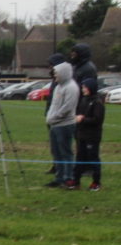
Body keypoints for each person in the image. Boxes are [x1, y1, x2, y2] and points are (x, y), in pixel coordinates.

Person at [44, 60, 78, 189]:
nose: (55, 76)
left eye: (57, 73)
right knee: (56, 152)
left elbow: (67, 107)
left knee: (65, 152)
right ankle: (59, 177)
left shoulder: (71, 87)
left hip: (65, 125)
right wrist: (50, 117)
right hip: (54, 125)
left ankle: (68, 178)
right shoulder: (58, 86)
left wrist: (54, 118)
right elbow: (54, 105)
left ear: (63, 73)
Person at [74, 78, 104, 191]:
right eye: (82, 87)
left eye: (85, 87)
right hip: (81, 134)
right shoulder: (84, 100)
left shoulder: (97, 102)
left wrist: (83, 119)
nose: (83, 89)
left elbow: (97, 119)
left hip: (92, 136)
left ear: (91, 88)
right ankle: (76, 181)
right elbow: (79, 114)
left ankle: (96, 183)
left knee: (93, 158)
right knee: (79, 157)